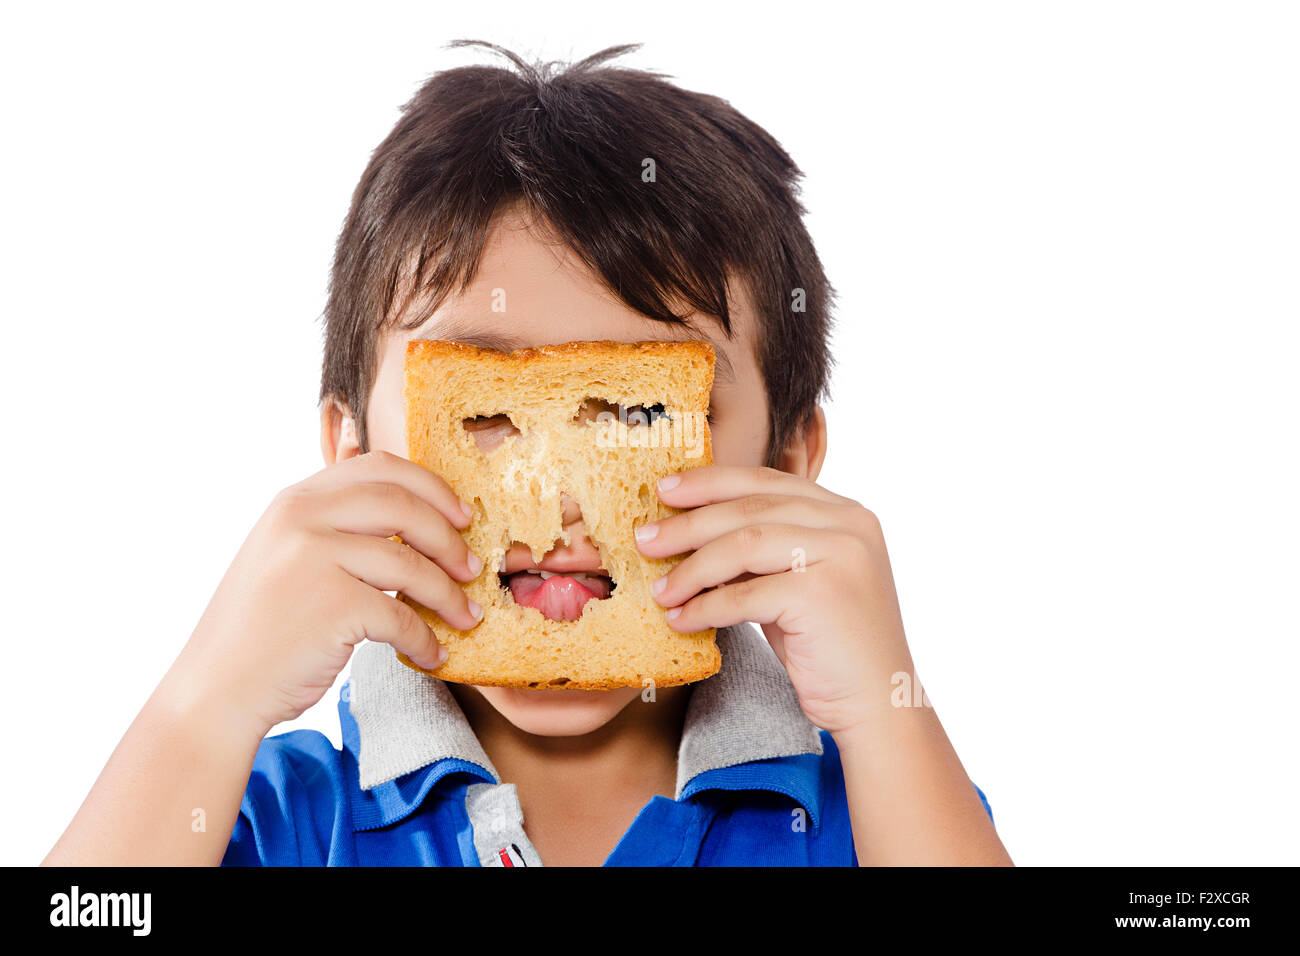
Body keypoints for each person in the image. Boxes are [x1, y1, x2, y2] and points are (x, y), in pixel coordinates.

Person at [43, 39, 1012, 866]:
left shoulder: (879, 803)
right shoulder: (277, 815)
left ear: (790, 467)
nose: (556, 500)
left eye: (638, 414)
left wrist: (888, 716)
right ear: (350, 456)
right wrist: (202, 705)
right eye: (485, 411)